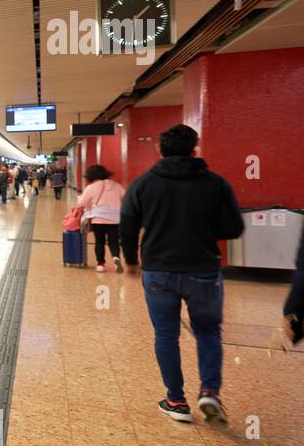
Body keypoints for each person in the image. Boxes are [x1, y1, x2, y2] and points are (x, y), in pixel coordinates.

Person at [120, 124, 244, 425]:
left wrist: (131, 260)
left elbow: (127, 225)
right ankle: (210, 392)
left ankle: (176, 400)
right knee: (208, 331)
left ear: (159, 150)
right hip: (203, 269)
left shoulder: (143, 184)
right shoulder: (216, 184)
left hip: (158, 271)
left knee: (166, 334)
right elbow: (233, 228)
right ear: (194, 149)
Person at [78, 164, 125, 273]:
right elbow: (126, 197)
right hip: (115, 219)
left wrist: (80, 198)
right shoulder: (116, 186)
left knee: (99, 242)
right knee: (114, 241)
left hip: (98, 219)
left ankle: (101, 264)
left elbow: (81, 202)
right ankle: (115, 258)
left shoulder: (91, 187)